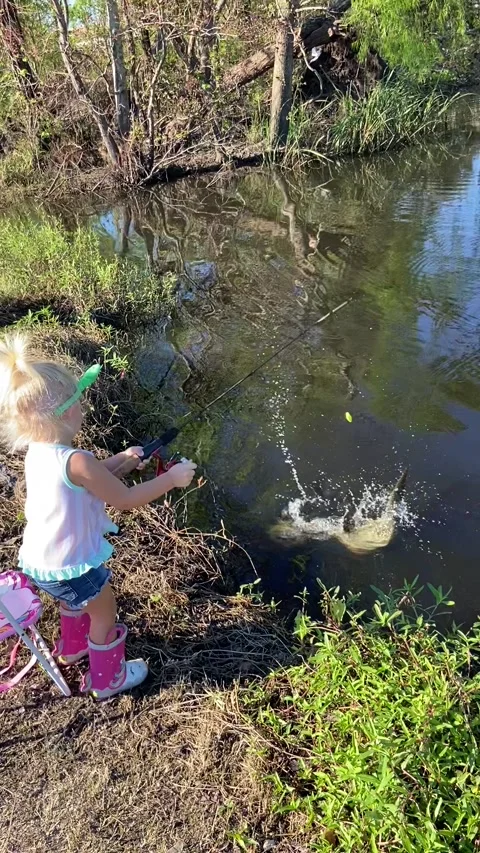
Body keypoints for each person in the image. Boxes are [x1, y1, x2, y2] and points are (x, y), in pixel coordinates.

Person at [0, 334, 196, 699]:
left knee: (72, 600)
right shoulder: (77, 460)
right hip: (73, 564)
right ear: (68, 412)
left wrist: (122, 459)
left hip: (42, 564)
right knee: (104, 612)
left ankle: (72, 649)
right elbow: (124, 499)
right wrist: (171, 479)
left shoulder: (40, 452)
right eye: (79, 400)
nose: (84, 408)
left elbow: (85, 481)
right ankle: (107, 681)